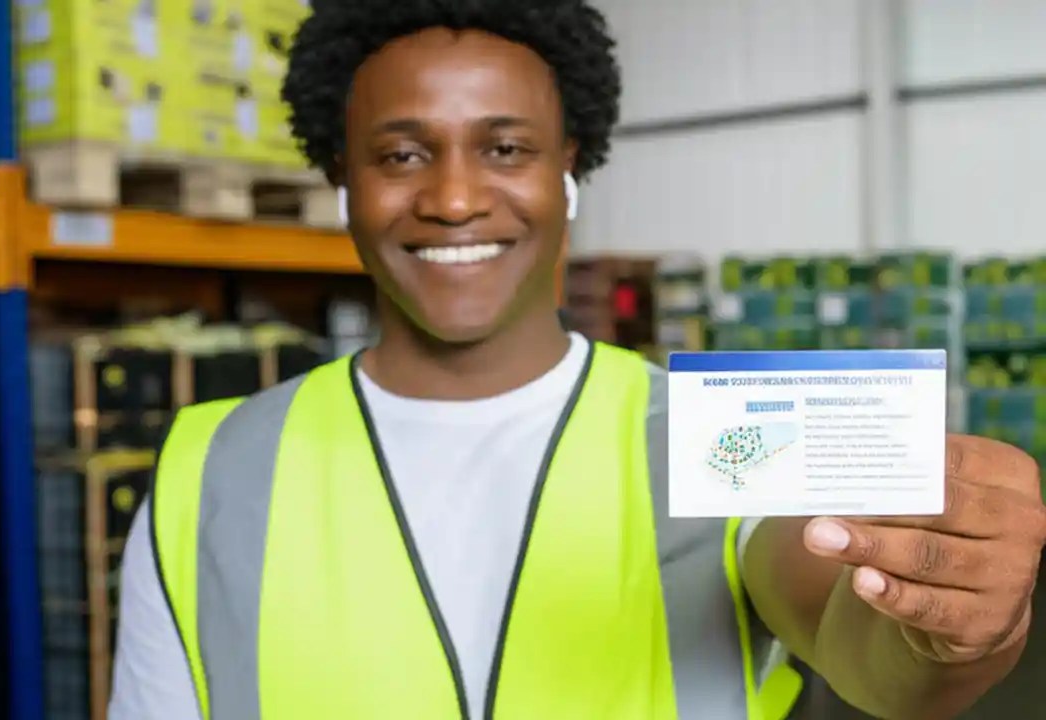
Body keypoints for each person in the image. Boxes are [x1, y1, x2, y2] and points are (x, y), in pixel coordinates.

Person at [108, 1, 1046, 718]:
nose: (455, 197)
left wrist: (953, 630)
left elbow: (862, 645)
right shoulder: (214, 470)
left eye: (505, 147)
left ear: (571, 168)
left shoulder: (712, 435)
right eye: (400, 156)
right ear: (340, 184)